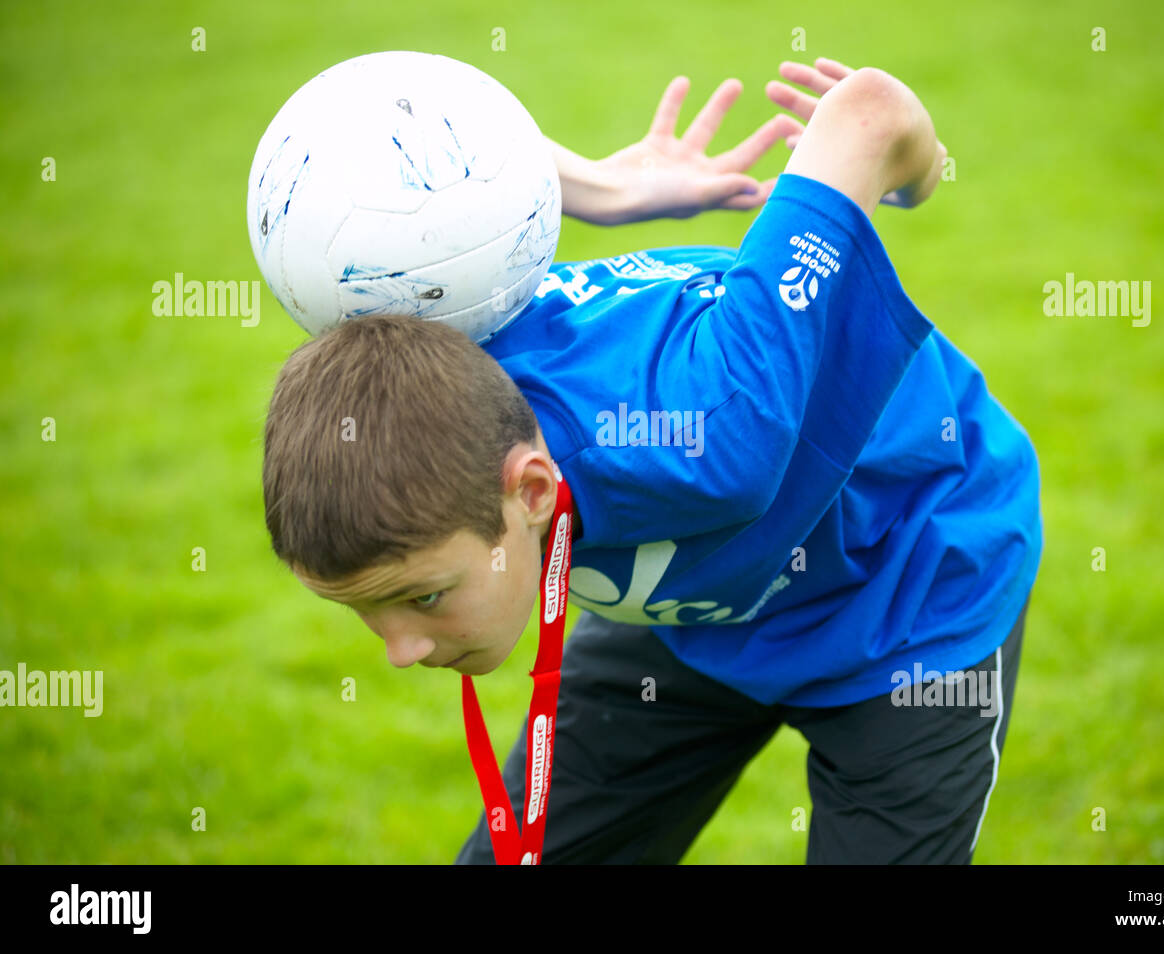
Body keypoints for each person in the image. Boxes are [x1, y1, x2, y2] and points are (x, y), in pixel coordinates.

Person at [261, 58, 1043, 863]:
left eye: (423, 595)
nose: (400, 651)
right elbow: (391, 158)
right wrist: (594, 187)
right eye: (362, 611)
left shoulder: (710, 425)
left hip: (906, 594)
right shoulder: (412, 364)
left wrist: (917, 184)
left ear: (531, 490)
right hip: (695, 614)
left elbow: (869, 114)